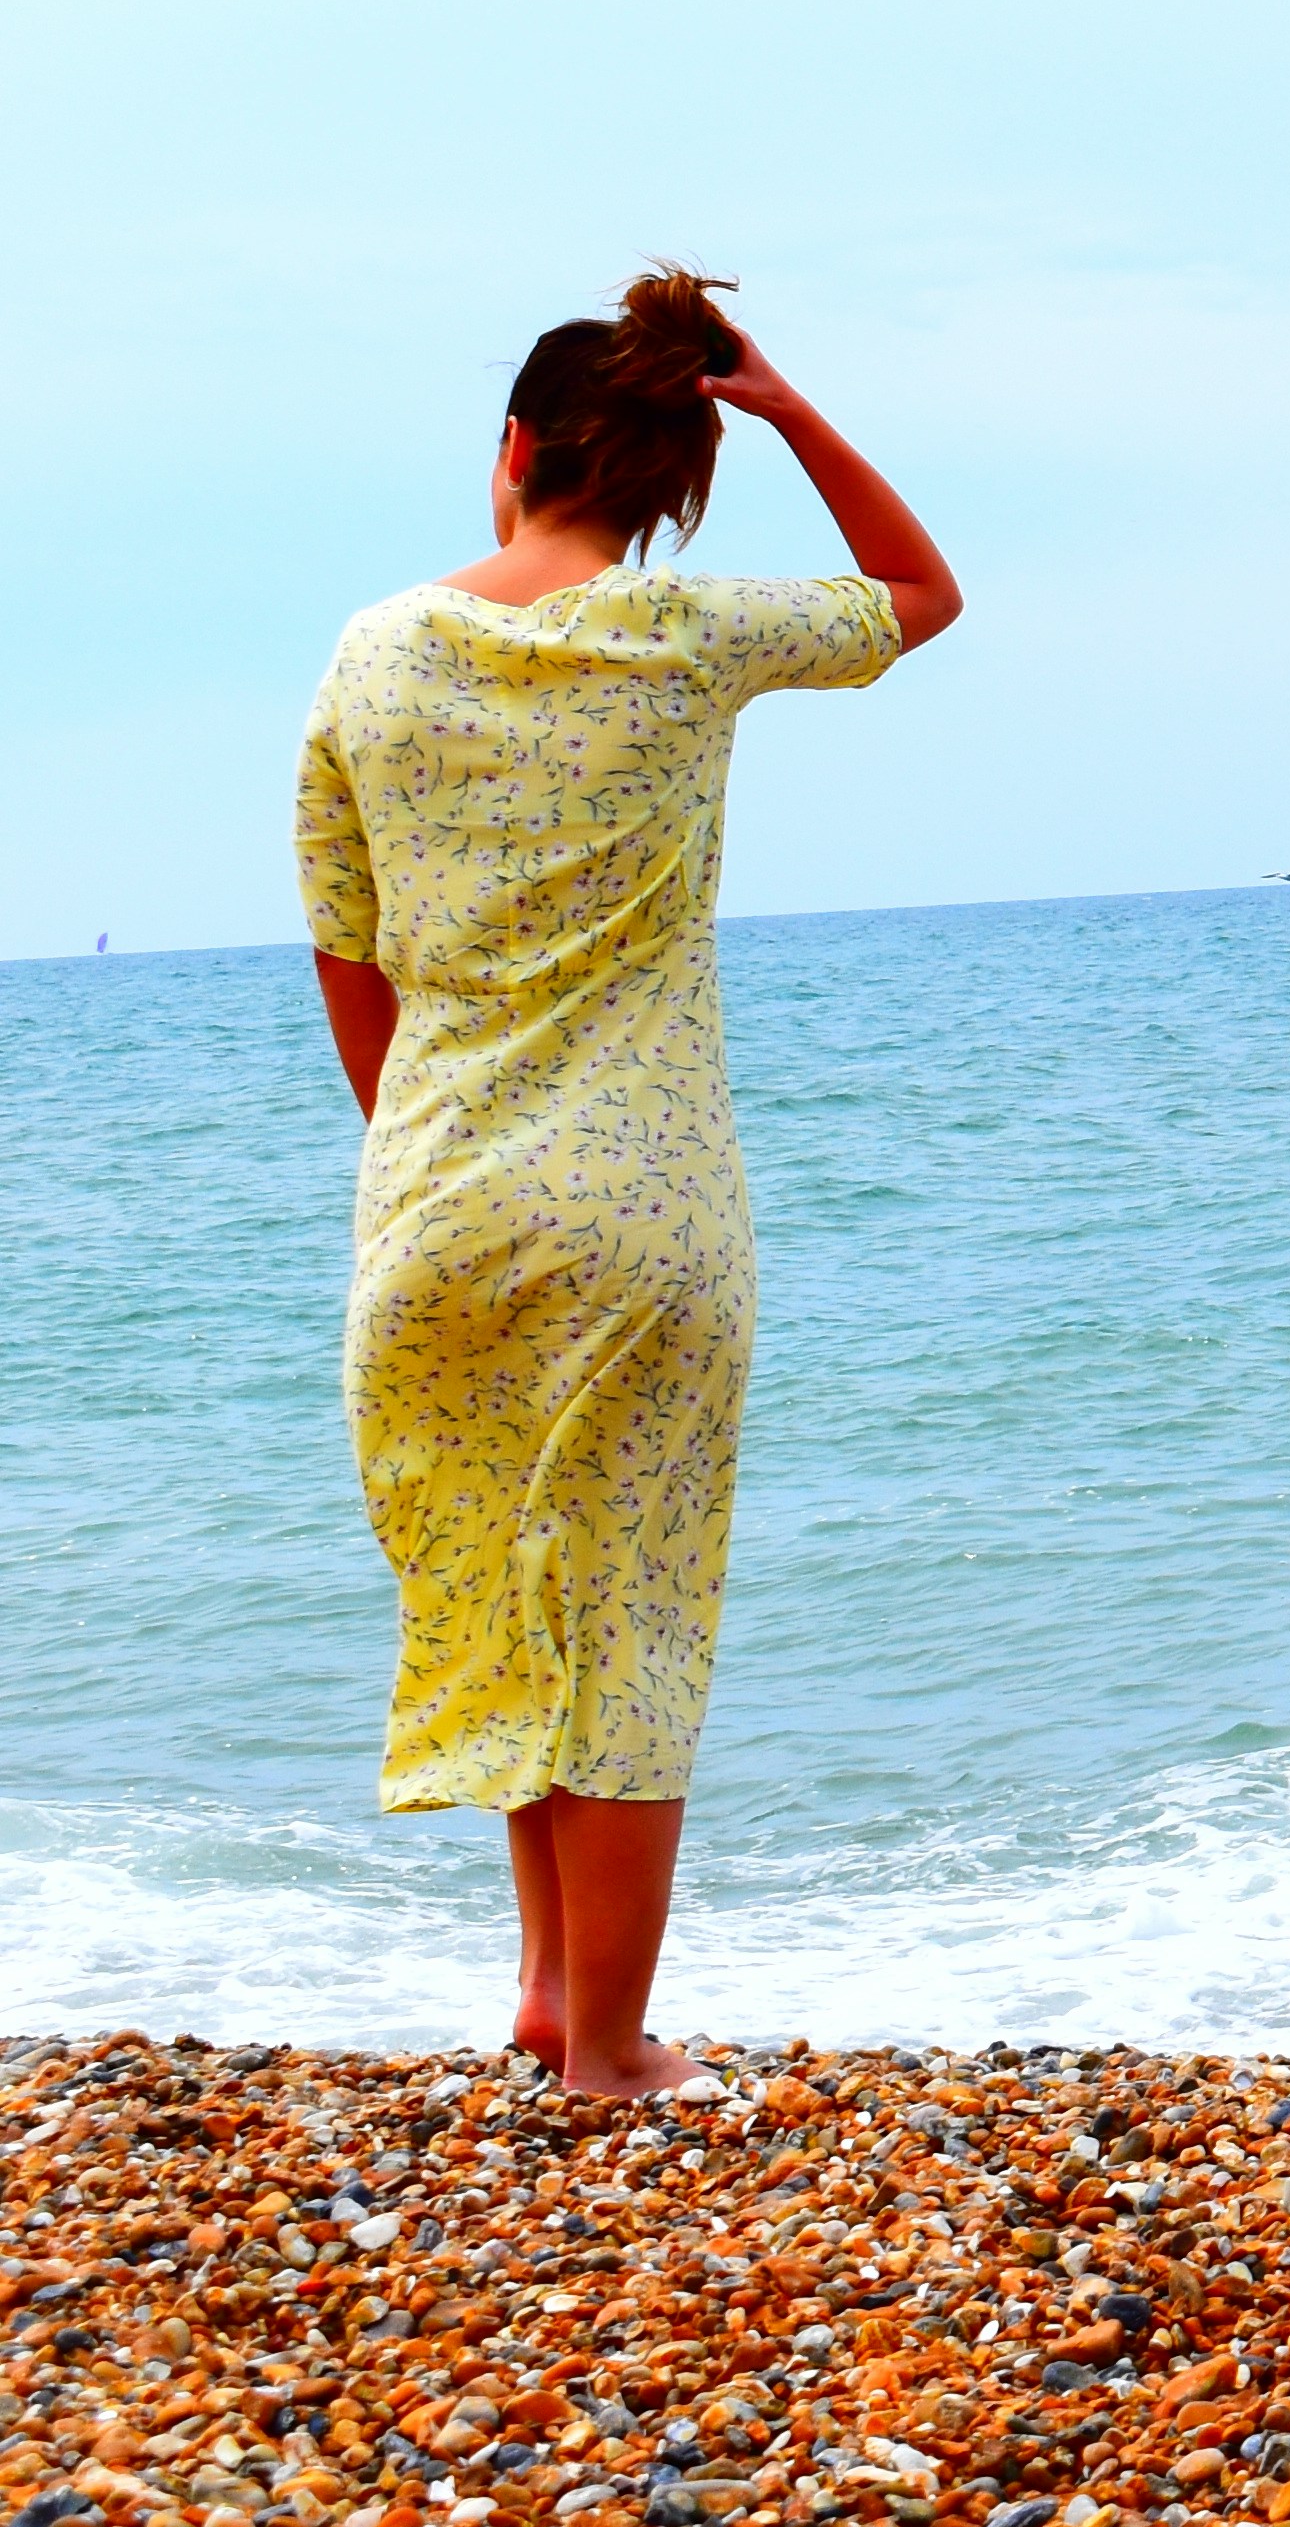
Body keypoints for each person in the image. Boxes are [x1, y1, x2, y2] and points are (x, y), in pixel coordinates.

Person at [296, 268, 964, 2098]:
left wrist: (418, 1153)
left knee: (510, 1580)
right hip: (647, 1203)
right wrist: (792, 405)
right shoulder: (683, 640)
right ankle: (603, 2052)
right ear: (677, 474)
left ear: (512, 452)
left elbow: (349, 952)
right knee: (634, 1601)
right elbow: (920, 599)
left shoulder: (373, 652)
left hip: (434, 1192)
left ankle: (540, 1985)